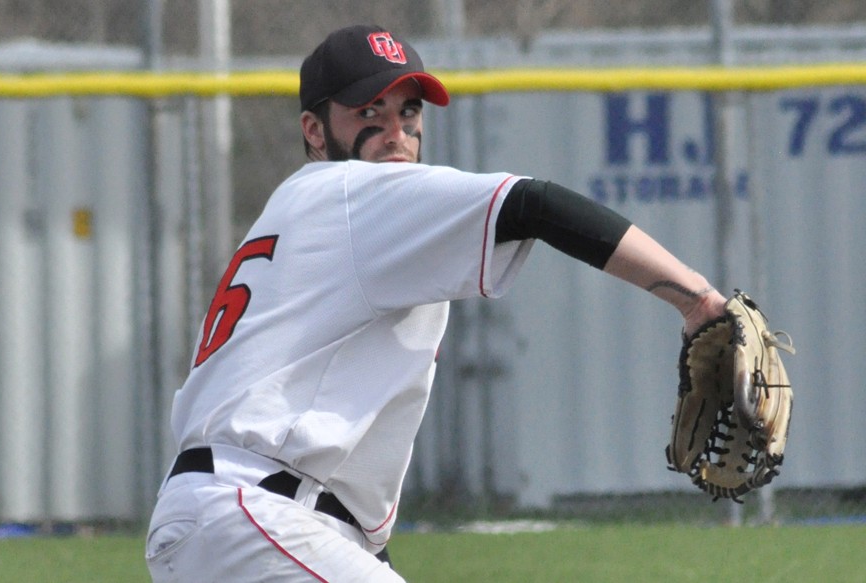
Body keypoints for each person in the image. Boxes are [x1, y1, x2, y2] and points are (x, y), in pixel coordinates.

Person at [145, 24, 727, 582]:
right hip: (250, 518)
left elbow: (340, 471)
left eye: (409, 111)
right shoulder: (354, 195)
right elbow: (535, 205)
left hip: (241, 519)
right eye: (368, 113)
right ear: (315, 130)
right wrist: (696, 298)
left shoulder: (311, 213)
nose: (395, 132)